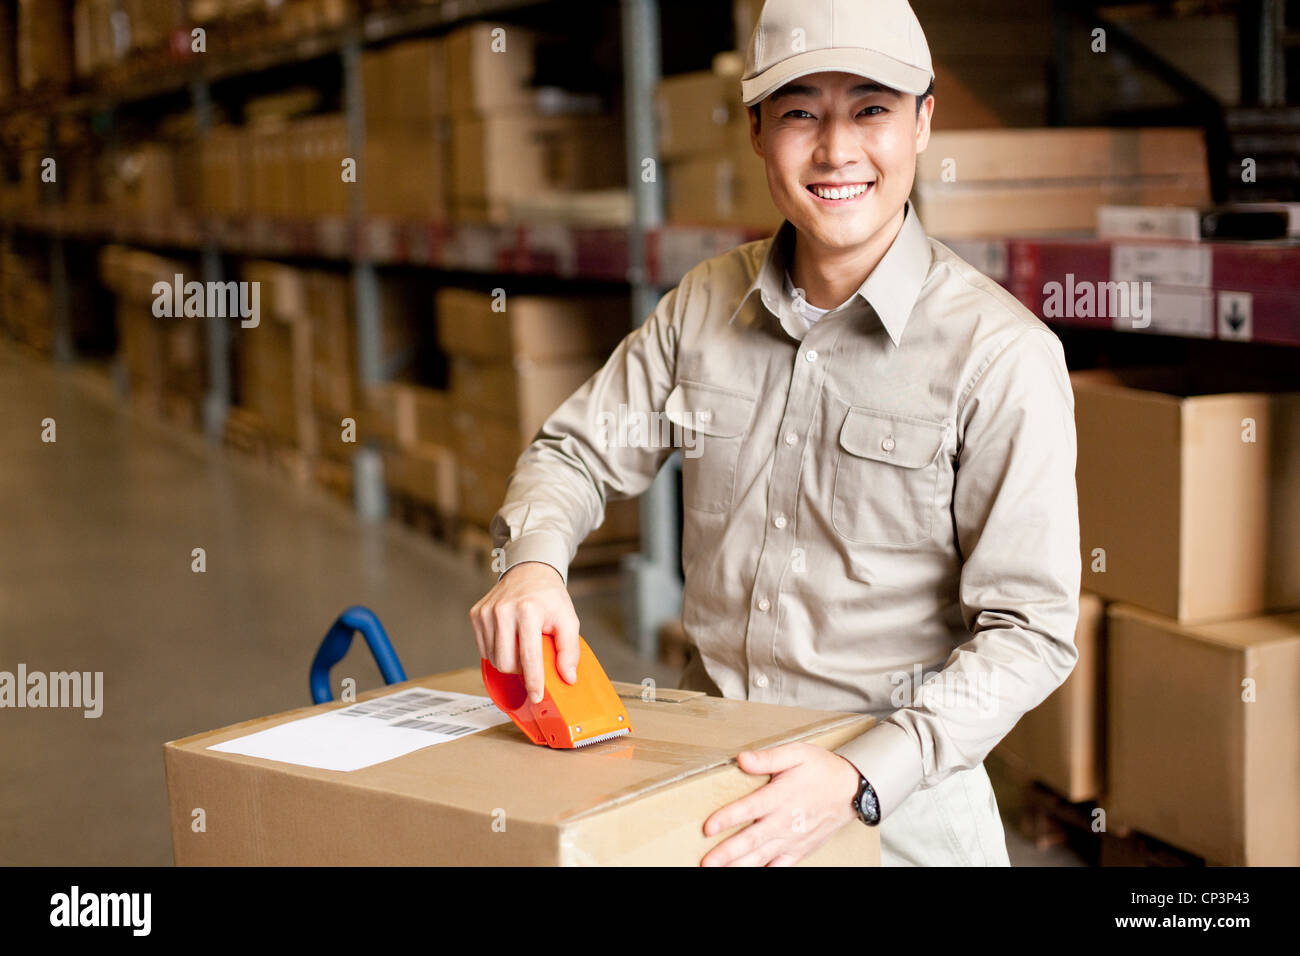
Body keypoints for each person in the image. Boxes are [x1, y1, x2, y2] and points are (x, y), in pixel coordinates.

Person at [469, 0, 1081, 867]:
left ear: (923, 122)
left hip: (895, 813)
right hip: (708, 795)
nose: (836, 150)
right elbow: (574, 452)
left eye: (871, 108)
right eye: (802, 112)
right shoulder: (702, 307)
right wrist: (533, 564)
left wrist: (860, 777)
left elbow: (1031, 631)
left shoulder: (1002, 355)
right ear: (757, 130)